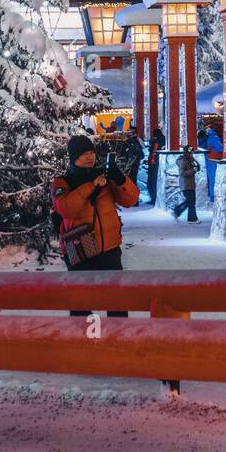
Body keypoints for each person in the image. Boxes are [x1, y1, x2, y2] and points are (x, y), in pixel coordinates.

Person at [51, 135, 140, 316]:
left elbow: (130, 200)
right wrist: (91, 186)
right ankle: (85, 340)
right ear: (73, 157)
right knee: (81, 302)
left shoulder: (104, 177)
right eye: (84, 154)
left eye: (91, 152)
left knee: (116, 302)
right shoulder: (62, 182)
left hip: (109, 247)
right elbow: (66, 208)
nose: (90, 157)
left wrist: (120, 180)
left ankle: (116, 339)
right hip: (80, 248)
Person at [173, 144, 201, 221]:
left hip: (190, 184)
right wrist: (193, 170)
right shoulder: (183, 161)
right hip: (186, 184)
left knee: (191, 201)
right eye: (191, 153)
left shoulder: (190, 160)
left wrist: (195, 163)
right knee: (190, 201)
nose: (192, 154)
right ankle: (190, 217)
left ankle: (181, 212)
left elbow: (197, 167)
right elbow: (182, 173)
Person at [203, 124, 223, 201]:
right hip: (213, 161)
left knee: (211, 179)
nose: (207, 130)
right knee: (213, 179)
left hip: (209, 160)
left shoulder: (210, 137)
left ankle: (212, 195)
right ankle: (213, 196)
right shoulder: (215, 137)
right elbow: (221, 148)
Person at [146, 127, 165, 206]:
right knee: (154, 182)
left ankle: (154, 198)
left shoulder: (155, 141)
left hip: (154, 164)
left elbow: (152, 150)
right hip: (156, 163)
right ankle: (154, 198)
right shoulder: (163, 140)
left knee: (152, 182)